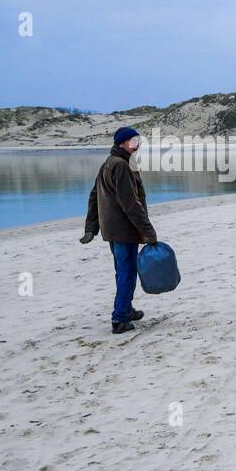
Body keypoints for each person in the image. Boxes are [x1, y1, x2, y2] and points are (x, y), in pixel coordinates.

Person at [80, 126, 158, 333]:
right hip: (123, 230)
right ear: (121, 143)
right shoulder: (120, 166)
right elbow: (130, 204)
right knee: (127, 272)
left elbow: (93, 196)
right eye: (133, 141)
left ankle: (126, 308)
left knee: (123, 271)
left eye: (138, 140)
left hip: (113, 230)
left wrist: (92, 227)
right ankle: (120, 319)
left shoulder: (111, 163)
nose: (137, 144)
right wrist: (149, 232)